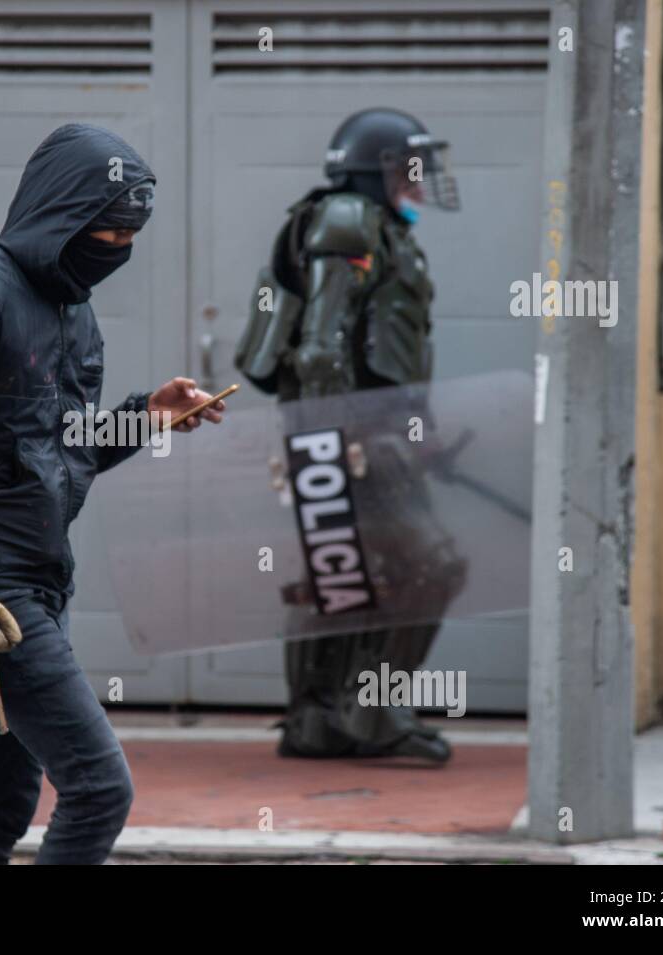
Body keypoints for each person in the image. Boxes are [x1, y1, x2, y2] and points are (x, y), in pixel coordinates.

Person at [0, 123, 226, 864]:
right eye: (106, 229)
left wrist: (148, 418)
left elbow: (59, 447)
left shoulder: (74, 312)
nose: (117, 248)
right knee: (99, 787)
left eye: (131, 235)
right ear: (61, 213)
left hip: (42, 584)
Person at [235, 108, 462, 763]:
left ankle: (317, 721)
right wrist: (333, 441)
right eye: (412, 166)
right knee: (429, 567)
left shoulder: (375, 226)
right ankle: (374, 713)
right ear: (381, 168)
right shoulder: (348, 220)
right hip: (344, 434)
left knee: (340, 576)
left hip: (349, 433)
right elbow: (321, 347)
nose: (423, 179)